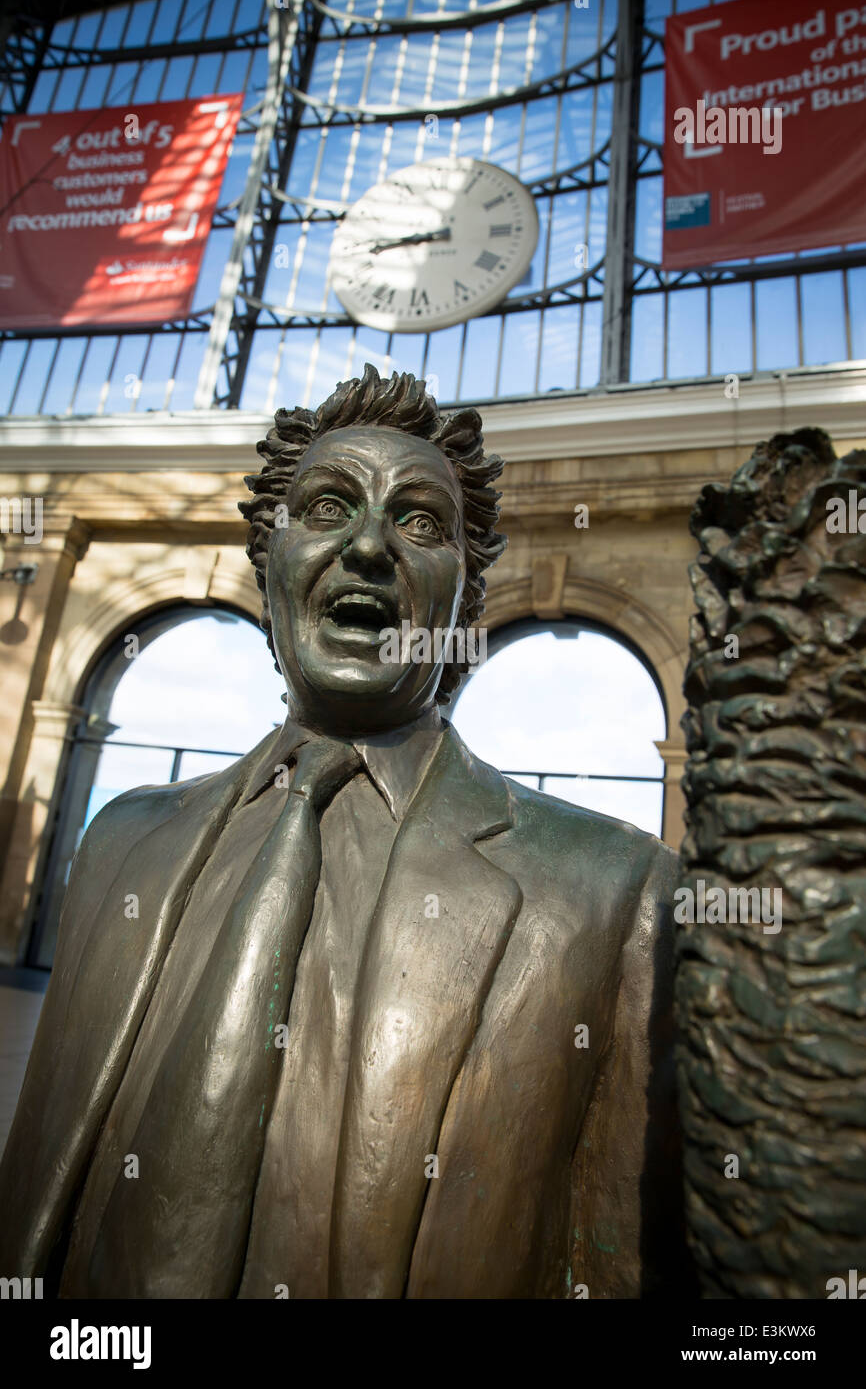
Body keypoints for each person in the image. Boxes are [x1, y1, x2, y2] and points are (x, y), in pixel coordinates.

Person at [0, 365, 687, 1298]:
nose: (367, 546)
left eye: (418, 523)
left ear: (465, 599)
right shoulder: (119, 842)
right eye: (327, 507)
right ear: (266, 562)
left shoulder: (616, 893)